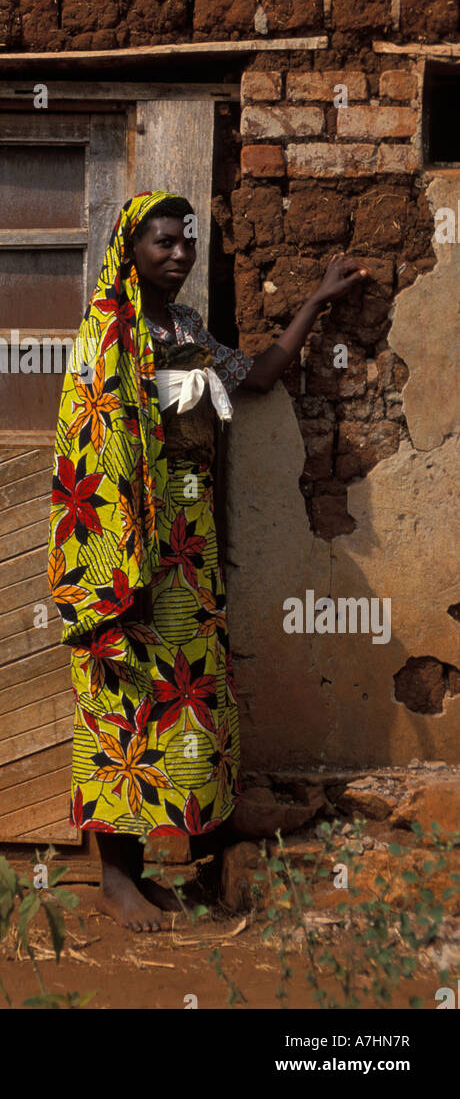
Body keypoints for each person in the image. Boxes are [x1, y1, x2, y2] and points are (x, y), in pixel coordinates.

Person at [48, 190, 371, 932]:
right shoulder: (107, 331)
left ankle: (176, 863)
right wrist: (113, 565)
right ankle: (115, 879)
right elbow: (91, 448)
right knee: (122, 703)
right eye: (162, 242)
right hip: (129, 545)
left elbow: (255, 378)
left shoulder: (185, 328)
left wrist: (316, 302)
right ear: (130, 248)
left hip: (188, 543)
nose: (179, 254)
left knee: (186, 704)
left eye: (187, 243)